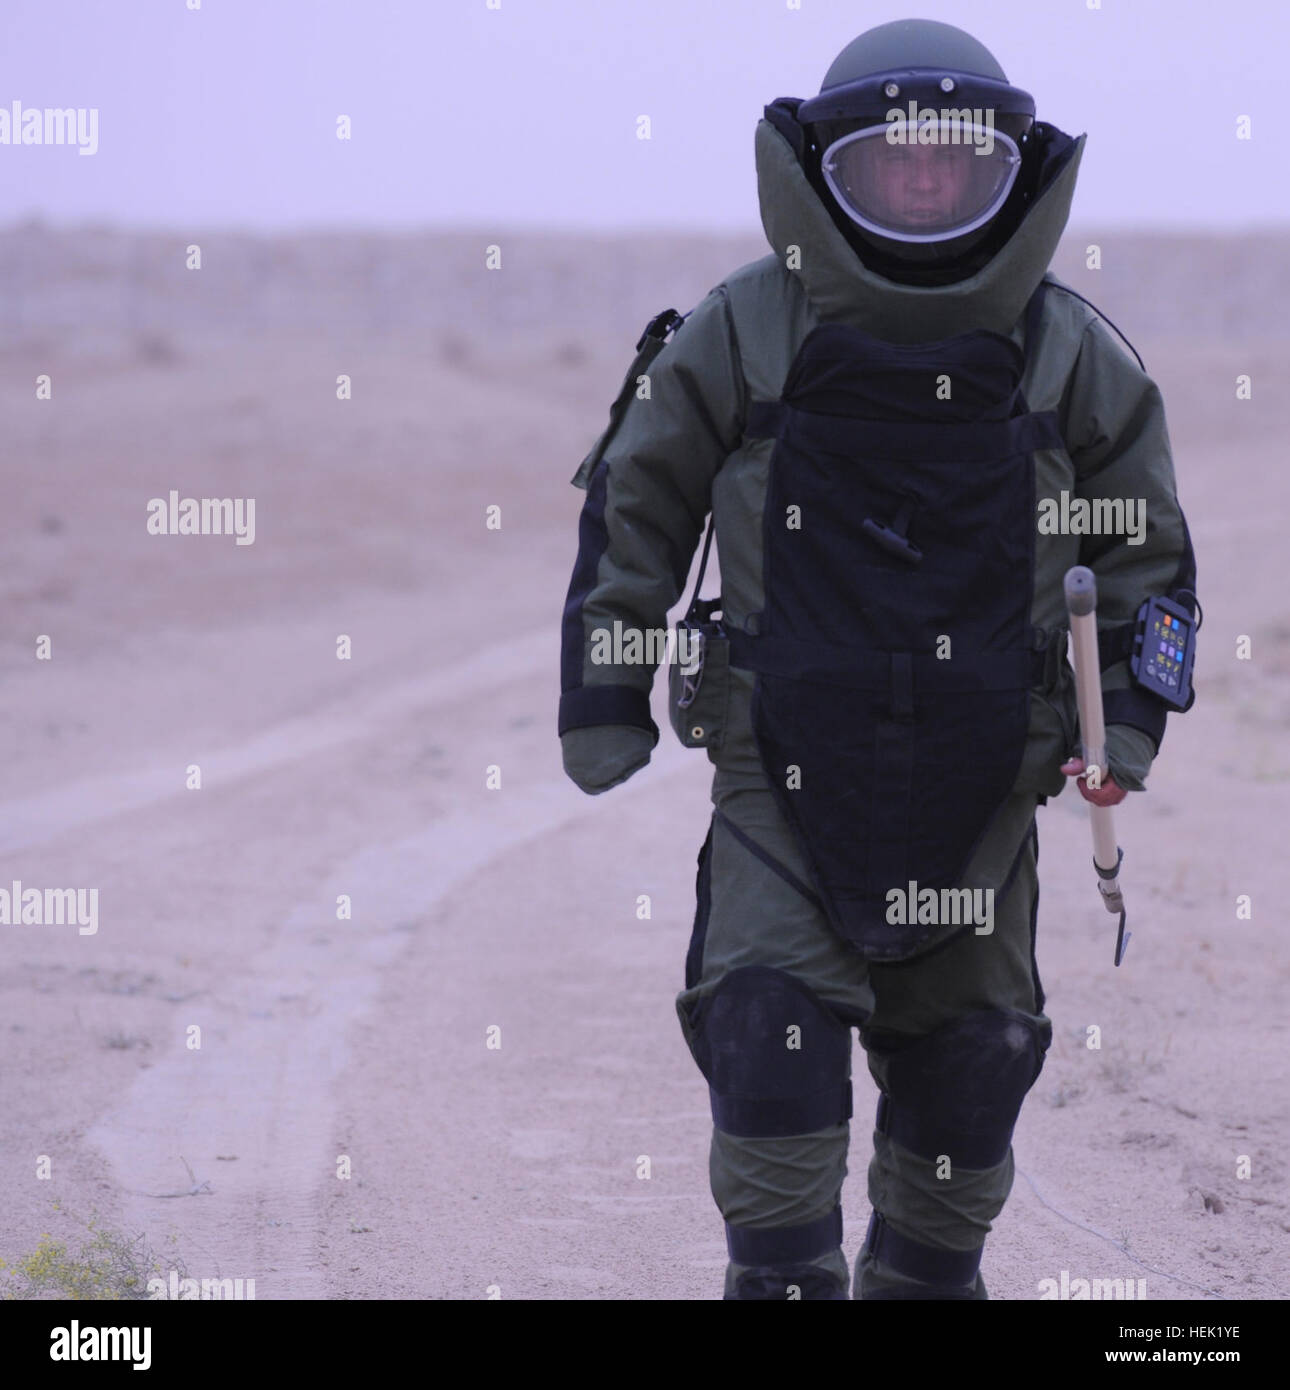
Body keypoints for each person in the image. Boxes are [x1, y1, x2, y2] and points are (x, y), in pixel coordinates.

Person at [558, 18, 1197, 1300]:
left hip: (984, 788)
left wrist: (1120, 728)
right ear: (825, 171)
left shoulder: (1068, 354)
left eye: (950, 162)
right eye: (889, 161)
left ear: (1002, 172)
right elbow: (639, 501)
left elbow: (1145, 557)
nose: (919, 182)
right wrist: (603, 694)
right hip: (779, 770)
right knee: (767, 1032)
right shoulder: (744, 331)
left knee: (970, 1061)